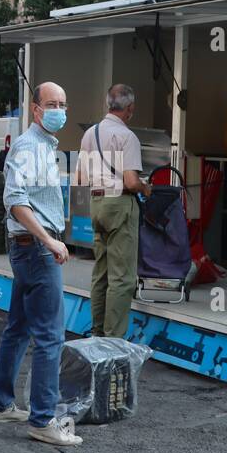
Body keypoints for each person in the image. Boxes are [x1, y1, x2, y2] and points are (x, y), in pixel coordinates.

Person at [0, 82, 81, 446]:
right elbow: (14, 200)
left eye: (63, 103)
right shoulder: (29, 146)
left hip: (28, 249)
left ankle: (1, 405)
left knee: (19, 328)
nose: (59, 109)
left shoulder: (43, 146)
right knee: (50, 336)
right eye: (51, 104)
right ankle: (43, 420)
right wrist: (49, 239)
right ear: (36, 109)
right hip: (37, 250)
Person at [77, 83, 150, 338]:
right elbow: (131, 182)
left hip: (96, 204)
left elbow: (81, 177)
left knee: (102, 273)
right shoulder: (127, 136)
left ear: (108, 104)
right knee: (122, 278)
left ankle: (97, 333)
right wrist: (145, 187)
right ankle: (113, 339)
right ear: (130, 108)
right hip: (120, 205)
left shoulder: (90, 134)